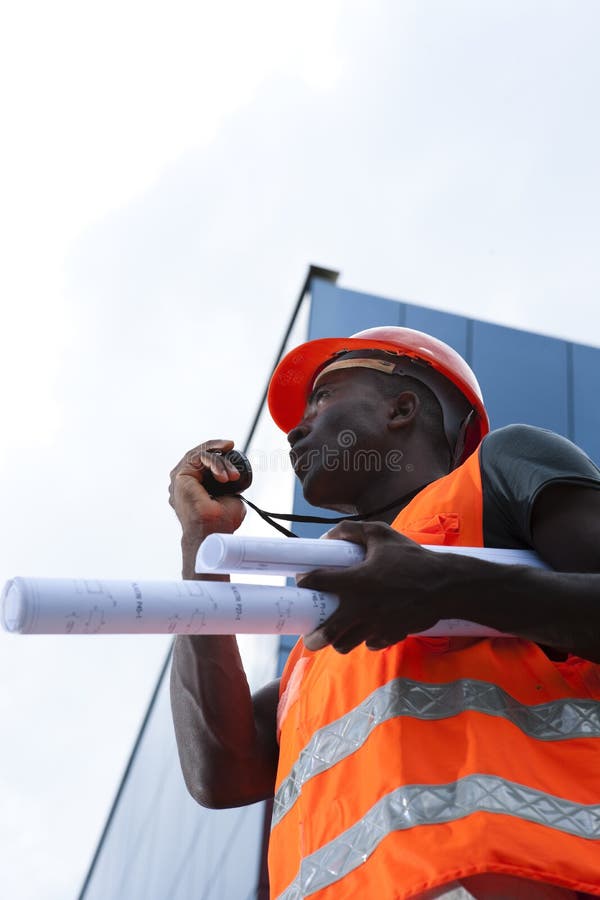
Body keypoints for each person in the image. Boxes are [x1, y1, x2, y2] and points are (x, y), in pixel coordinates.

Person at [168, 326, 600, 900]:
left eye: (323, 397)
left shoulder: (494, 475)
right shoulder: (314, 655)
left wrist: (445, 589)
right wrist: (201, 545)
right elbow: (219, 773)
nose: (296, 428)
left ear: (402, 408)